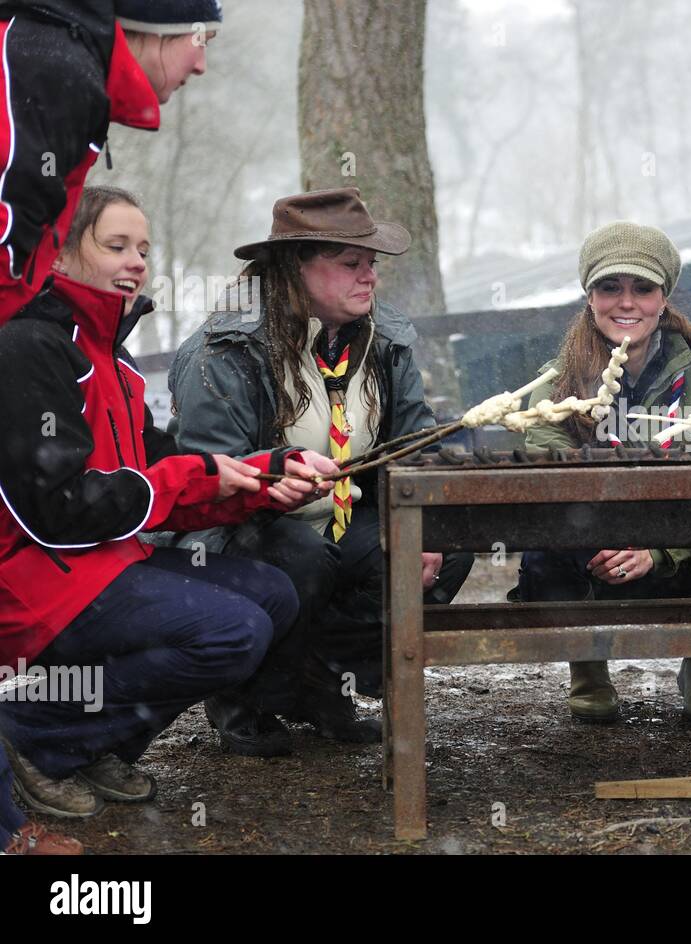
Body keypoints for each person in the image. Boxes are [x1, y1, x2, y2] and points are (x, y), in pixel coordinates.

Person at [0, 186, 324, 821]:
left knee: (273, 592)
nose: (137, 262)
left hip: (102, 565)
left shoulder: (113, 360)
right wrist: (192, 476)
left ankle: (93, 743)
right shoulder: (28, 348)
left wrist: (260, 477)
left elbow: (155, 471)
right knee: (231, 631)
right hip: (34, 581)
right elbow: (56, 510)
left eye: (143, 249)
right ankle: (29, 731)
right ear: (59, 257)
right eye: (116, 246)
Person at [169, 188, 473, 755]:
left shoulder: (387, 338)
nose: (370, 278)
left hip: (343, 513)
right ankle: (244, 696)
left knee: (445, 547)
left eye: (372, 265)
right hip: (244, 527)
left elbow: (411, 441)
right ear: (295, 269)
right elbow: (209, 477)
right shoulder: (224, 350)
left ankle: (320, 676)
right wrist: (269, 483)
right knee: (299, 559)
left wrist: (426, 524)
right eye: (350, 264)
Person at [514, 221, 691, 725]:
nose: (626, 303)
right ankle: (587, 666)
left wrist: (658, 550)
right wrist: (601, 542)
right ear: (590, 297)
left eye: (642, 289)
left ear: (663, 297)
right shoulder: (558, 376)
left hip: (680, 543)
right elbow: (546, 466)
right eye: (610, 288)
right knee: (542, 558)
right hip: (593, 546)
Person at [0, 0, 220, 323]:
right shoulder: (53, 71)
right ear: (157, 27)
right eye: (201, 40)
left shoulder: (54, 57)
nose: (202, 65)